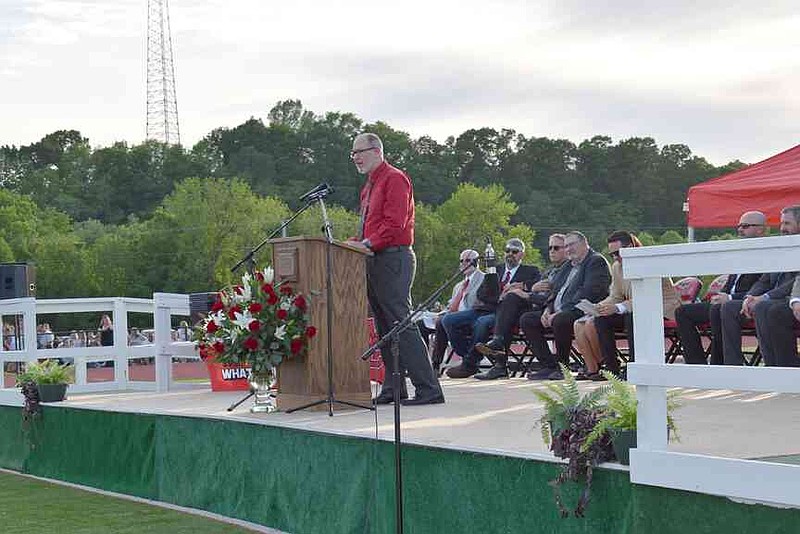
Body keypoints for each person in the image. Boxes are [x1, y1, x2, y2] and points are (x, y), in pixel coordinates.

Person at [347, 133, 444, 406]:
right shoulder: (368, 187)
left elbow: (395, 224)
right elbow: (369, 229)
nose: (355, 157)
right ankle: (394, 386)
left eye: (360, 151)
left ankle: (428, 388)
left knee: (400, 323)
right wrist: (349, 244)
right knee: (383, 325)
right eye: (352, 153)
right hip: (374, 259)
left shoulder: (395, 179)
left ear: (377, 151)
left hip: (394, 258)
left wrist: (367, 243)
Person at [674, 210, 766, 364]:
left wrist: (730, 298)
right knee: (683, 312)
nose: (740, 230)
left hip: (745, 304)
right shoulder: (739, 252)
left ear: (761, 229)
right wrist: (721, 295)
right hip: (726, 302)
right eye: (739, 226)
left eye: (745, 226)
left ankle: (719, 364)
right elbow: (731, 284)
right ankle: (696, 364)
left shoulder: (769, 253)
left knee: (720, 309)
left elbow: (763, 287)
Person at [443, 238, 540, 379]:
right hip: (486, 308)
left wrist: (522, 286)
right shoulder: (494, 269)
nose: (510, 254)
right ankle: (469, 358)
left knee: (482, 323)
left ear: (522, 255)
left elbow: (538, 285)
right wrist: (500, 296)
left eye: (514, 251)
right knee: (448, 320)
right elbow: (481, 294)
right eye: (507, 251)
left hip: (507, 314)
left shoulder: (530, 271)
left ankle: (469, 364)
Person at [522, 231, 611, 381]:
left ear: (584, 244)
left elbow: (589, 292)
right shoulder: (568, 265)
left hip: (582, 310)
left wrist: (560, 311)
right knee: (527, 319)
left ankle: (563, 367)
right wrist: (548, 309)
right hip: (559, 310)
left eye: (571, 245)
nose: (568, 249)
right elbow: (555, 290)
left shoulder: (595, 261)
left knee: (561, 319)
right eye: (566, 246)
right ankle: (549, 365)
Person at [720, 205, 800, 365]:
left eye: (787, 224)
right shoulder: (778, 248)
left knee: (765, 307)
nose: (782, 228)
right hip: (772, 299)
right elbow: (764, 280)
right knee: (728, 307)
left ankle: (784, 367)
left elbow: (794, 282)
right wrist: (750, 297)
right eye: (781, 223)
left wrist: (764, 297)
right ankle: (733, 366)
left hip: (786, 298)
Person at [425, 249, 484, 372]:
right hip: (452, 316)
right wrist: (440, 313)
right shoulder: (458, 285)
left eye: (468, 260)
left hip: (471, 317)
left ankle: (439, 365)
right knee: (420, 324)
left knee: (443, 321)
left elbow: (479, 303)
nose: (464, 263)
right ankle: (423, 365)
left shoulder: (484, 279)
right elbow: (450, 306)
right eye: (461, 261)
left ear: (476, 262)